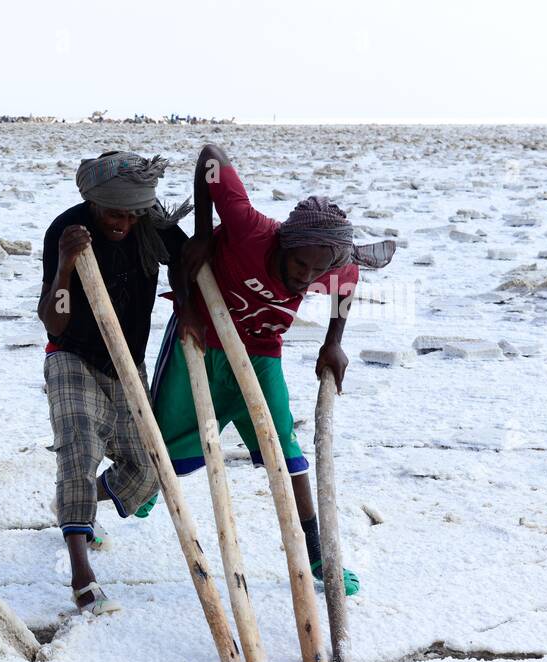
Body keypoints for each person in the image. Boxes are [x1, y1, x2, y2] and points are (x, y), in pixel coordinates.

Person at [152, 143, 397, 596]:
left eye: (317, 269)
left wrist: (333, 343)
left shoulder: (331, 265)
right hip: (201, 334)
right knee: (159, 446)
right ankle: (116, 501)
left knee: (282, 446)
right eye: (300, 264)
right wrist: (204, 233)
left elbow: (345, 283)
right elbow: (211, 155)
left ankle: (318, 553)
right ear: (284, 244)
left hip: (262, 349)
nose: (306, 277)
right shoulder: (250, 230)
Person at [38, 151, 192, 614]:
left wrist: (187, 302)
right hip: (73, 356)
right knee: (79, 450)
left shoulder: (150, 225)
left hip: (127, 364)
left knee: (149, 471)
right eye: (113, 213)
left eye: (131, 213)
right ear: (92, 203)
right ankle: (81, 575)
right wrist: (66, 266)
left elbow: (190, 263)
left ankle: (76, 503)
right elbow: (54, 323)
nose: (122, 222)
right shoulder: (66, 231)